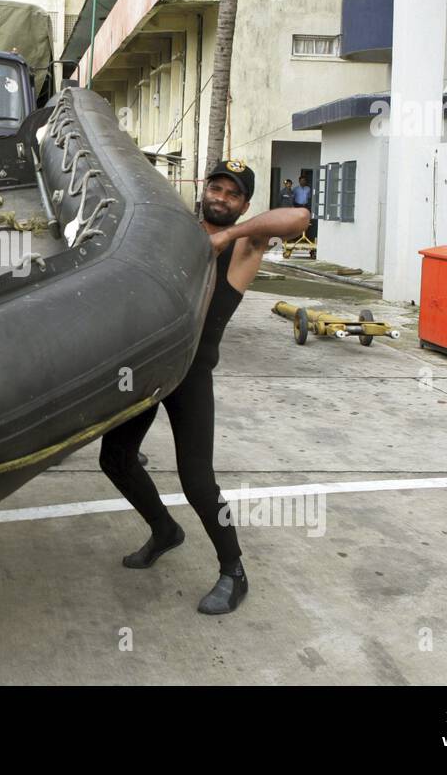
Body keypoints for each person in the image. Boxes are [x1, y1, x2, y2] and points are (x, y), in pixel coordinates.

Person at [98, 161, 311, 614]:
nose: (221, 196)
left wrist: (226, 235)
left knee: (197, 479)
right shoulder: (177, 231)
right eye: (216, 187)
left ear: (244, 205)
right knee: (114, 459)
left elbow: (299, 220)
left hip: (191, 374)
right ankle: (164, 530)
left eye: (233, 194)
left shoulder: (246, 244)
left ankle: (233, 571)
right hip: (147, 367)